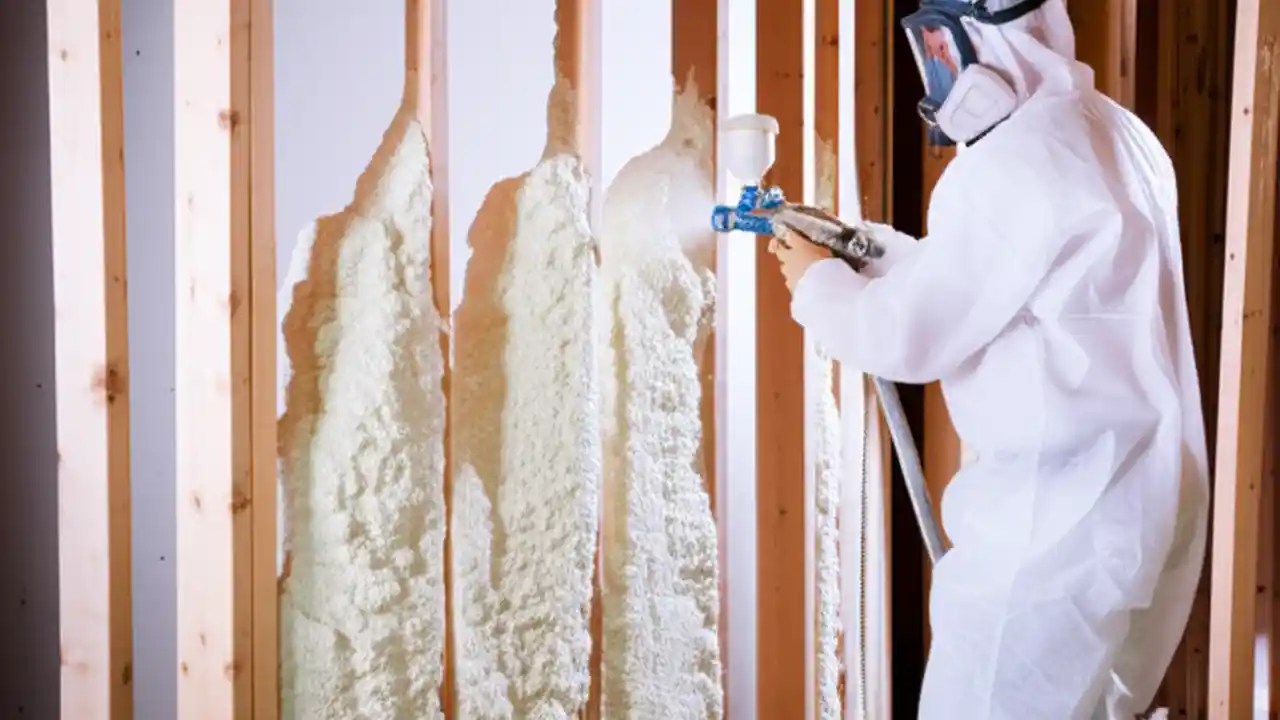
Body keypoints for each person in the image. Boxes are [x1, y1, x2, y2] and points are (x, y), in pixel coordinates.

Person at [770, 0, 1209, 717]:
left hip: (1045, 536)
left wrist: (816, 286)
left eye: (941, 46)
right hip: (1137, 509)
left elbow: (911, 335)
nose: (939, 72)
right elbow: (1001, 289)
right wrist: (864, 250)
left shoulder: (1011, 163)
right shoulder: (1117, 132)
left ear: (980, 36)